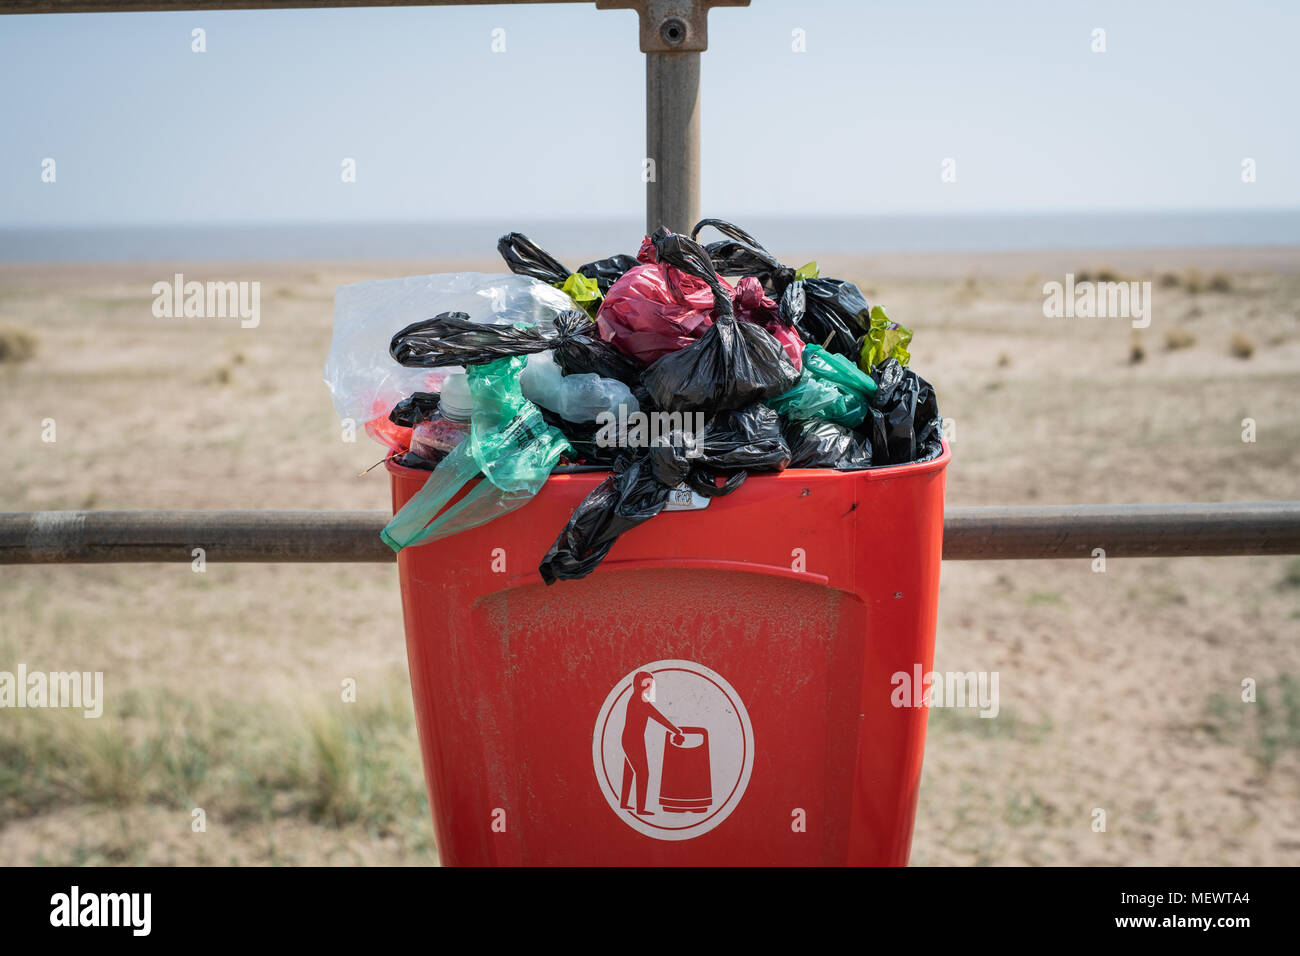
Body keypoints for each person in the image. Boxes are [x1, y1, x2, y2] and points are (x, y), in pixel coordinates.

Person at [619, 671, 683, 816]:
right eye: (647, 685)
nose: (650, 688)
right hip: (633, 740)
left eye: (651, 685)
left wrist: (675, 731)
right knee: (643, 773)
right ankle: (640, 809)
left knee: (629, 770)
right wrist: (675, 730)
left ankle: (623, 803)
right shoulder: (639, 701)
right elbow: (657, 716)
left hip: (630, 739)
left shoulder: (637, 699)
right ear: (637, 685)